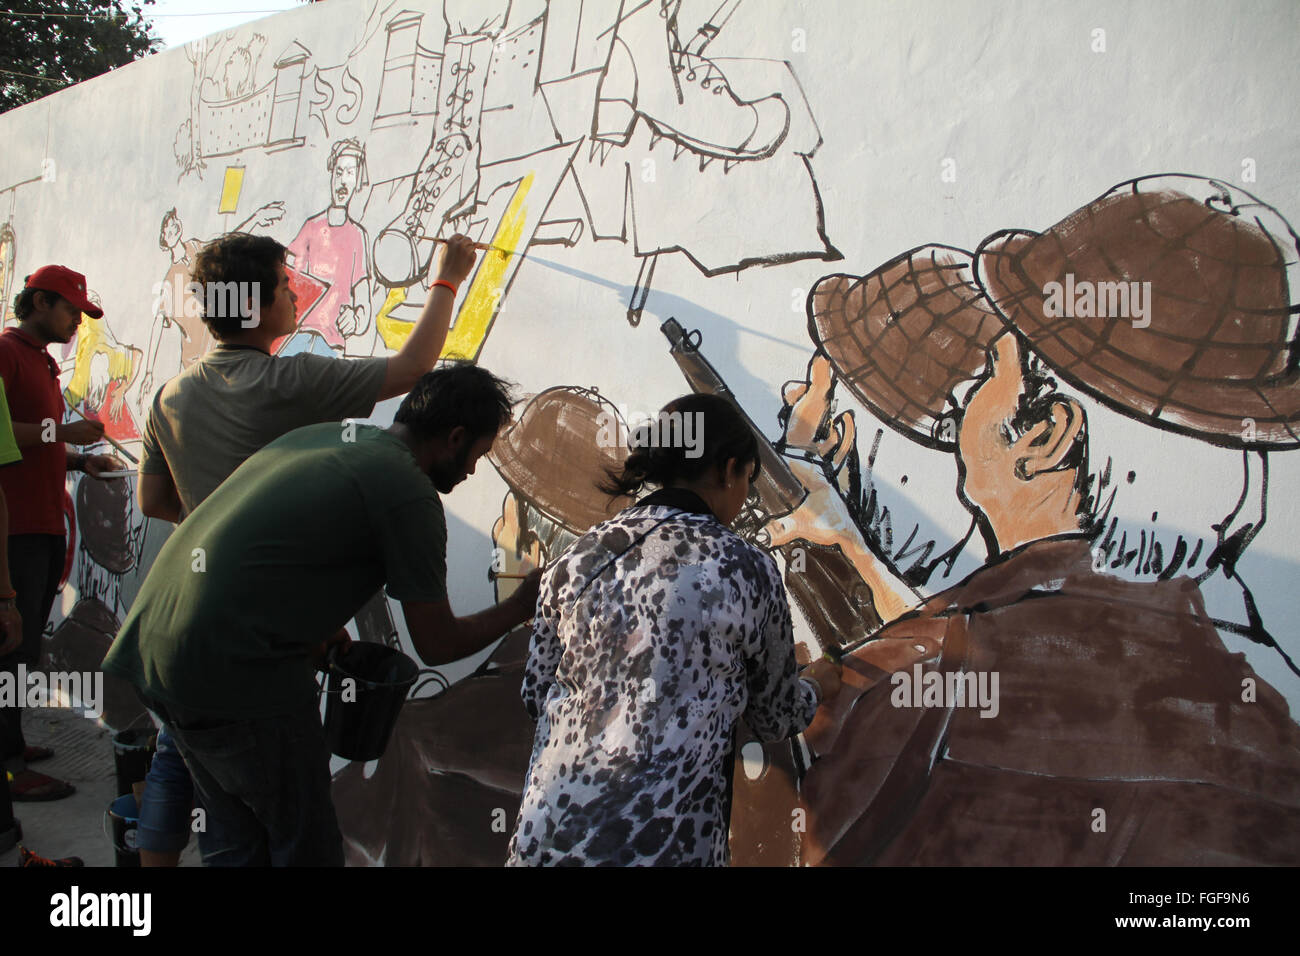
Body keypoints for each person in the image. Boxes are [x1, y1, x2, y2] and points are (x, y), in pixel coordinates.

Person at [132, 231, 479, 866]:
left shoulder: (170, 394)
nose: (298, 295)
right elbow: (411, 370)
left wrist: (218, 521)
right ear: (256, 305)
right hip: (256, 644)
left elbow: (154, 502)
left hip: (183, 618)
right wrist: (448, 278)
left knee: (211, 800)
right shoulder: (287, 382)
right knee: (294, 828)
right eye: (286, 286)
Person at [104, 364, 541, 866]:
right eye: (477, 456)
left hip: (156, 648)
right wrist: (517, 606)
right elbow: (436, 644)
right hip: (234, 673)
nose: (470, 472)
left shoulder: (330, 437)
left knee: (236, 839)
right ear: (455, 437)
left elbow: (273, 548)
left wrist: (312, 625)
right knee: (303, 846)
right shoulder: (408, 492)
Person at [507, 393, 841, 866]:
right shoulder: (744, 568)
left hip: (546, 844)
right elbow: (775, 717)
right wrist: (815, 687)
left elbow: (537, 695)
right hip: (663, 851)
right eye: (748, 479)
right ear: (728, 470)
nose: (745, 495)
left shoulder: (575, 559)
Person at [0, 266, 121, 803]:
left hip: (46, 526)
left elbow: (33, 445)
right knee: (10, 649)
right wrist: (63, 432)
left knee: (25, 650)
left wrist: (76, 459)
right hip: (16, 529)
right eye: (71, 310)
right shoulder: (5, 354)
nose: (77, 320)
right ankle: (6, 767)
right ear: (40, 302)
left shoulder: (43, 363)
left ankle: (12, 742)